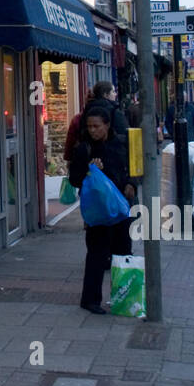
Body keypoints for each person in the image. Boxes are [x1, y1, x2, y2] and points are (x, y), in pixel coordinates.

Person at [69, 102, 134, 314]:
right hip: (98, 210)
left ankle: (124, 297)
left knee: (122, 251)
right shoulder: (84, 149)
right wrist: (90, 171)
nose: (92, 130)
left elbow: (132, 170)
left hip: (121, 208)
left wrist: (131, 183)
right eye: (89, 126)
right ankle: (90, 300)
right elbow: (74, 179)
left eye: (96, 126)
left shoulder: (121, 144)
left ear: (107, 125)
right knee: (97, 254)